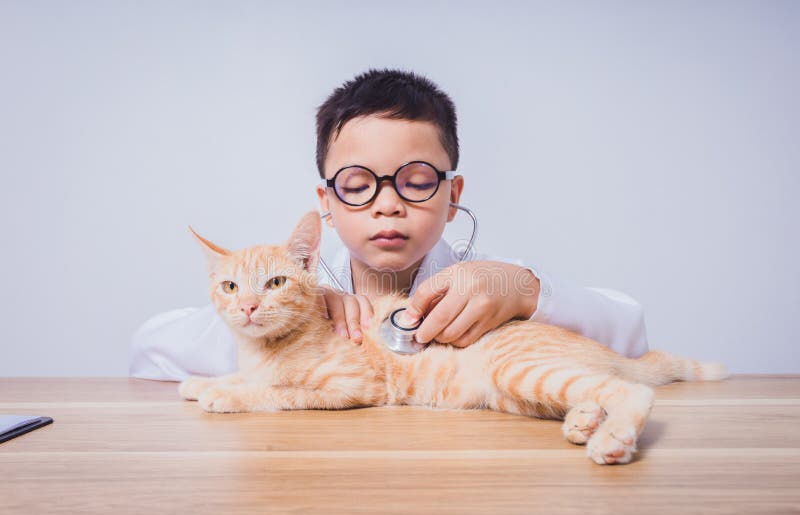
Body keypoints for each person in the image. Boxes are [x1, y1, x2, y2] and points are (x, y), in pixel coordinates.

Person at [129, 68, 649, 382]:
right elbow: (150, 352)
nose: (387, 204)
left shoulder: (494, 284)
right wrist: (287, 319)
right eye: (357, 184)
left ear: (453, 197)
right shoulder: (295, 288)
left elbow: (631, 333)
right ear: (326, 203)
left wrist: (528, 289)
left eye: (417, 180)